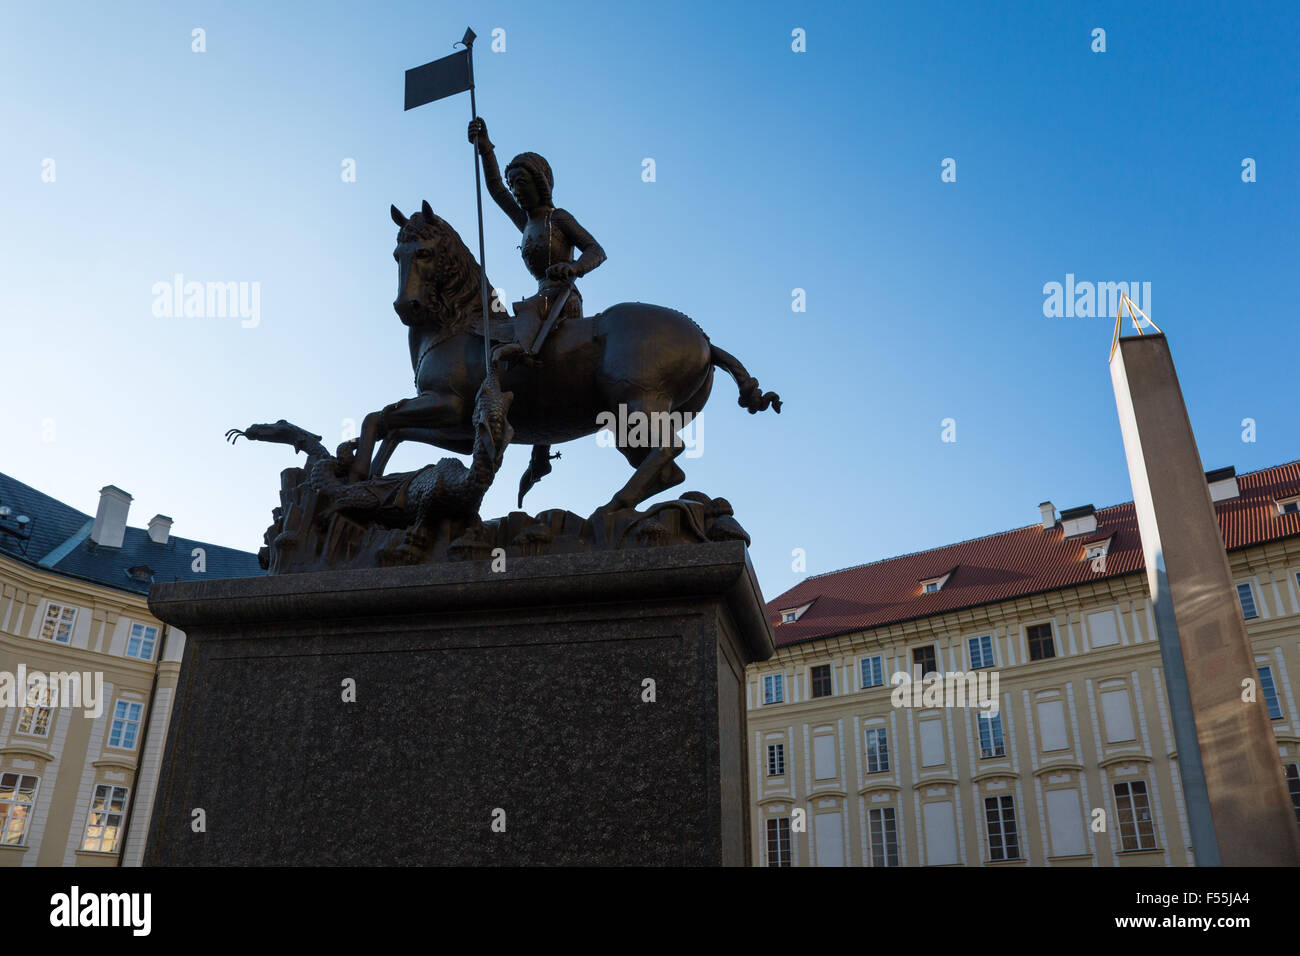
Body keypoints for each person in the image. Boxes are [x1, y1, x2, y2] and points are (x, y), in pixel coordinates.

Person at [468, 117, 606, 354]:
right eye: (513, 185)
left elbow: (596, 250)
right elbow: (496, 188)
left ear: (540, 183)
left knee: (527, 310)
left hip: (562, 296)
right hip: (542, 295)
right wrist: (485, 149)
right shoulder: (527, 223)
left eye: (521, 183)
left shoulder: (558, 218)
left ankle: (523, 353)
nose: (516, 191)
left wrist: (574, 268)